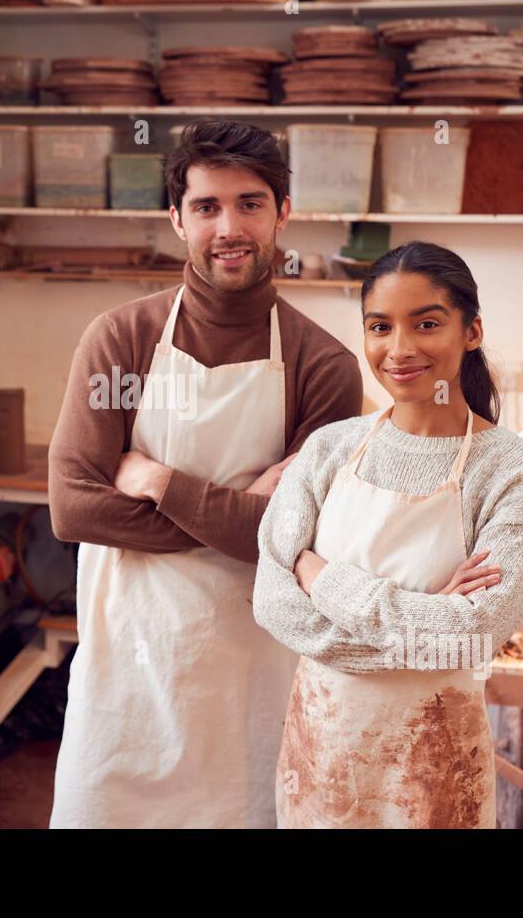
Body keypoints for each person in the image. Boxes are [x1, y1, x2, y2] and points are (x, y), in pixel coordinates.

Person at [47, 119, 364, 828]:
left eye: (250, 203)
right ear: (176, 220)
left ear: (284, 212)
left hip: (250, 678)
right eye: (207, 207)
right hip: (127, 667)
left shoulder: (325, 367)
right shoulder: (120, 340)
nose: (230, 226)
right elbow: (74, 510)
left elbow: (291, 539)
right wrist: (238, 515)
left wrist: (160, 480)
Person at [252, 240, 523, 828]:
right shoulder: (329, 448)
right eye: (379, 326)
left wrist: (320, 577)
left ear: (471, 331)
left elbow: (471, 637)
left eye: (426, 324)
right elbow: (272, 602)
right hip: (321, 755)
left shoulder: (514, 472)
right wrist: (424, 619)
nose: (399, 349)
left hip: (434, 763)